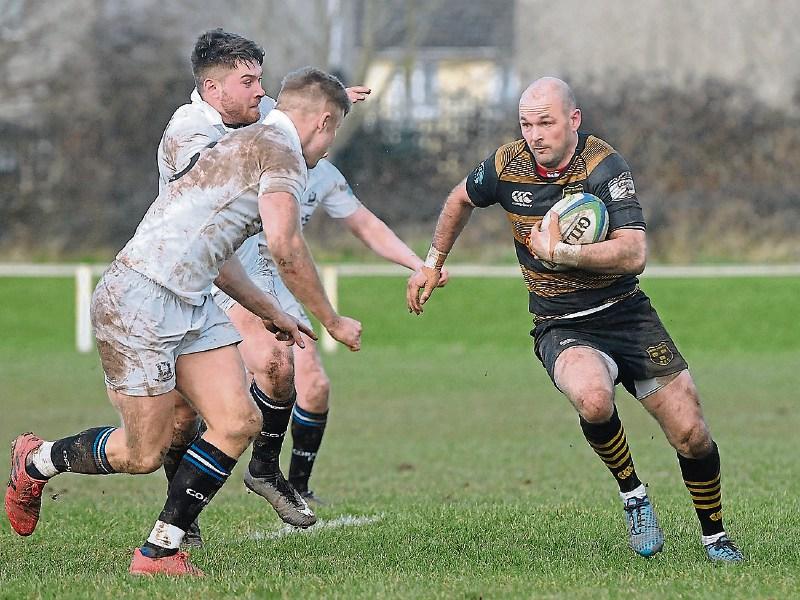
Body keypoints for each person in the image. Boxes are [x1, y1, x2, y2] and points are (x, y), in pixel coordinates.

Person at [6, 67, 362, 577]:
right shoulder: (280, 151)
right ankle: (37, 460)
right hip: (139, 296)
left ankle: (160, 552)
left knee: (238, 420)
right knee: (142, 451)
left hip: (191, 298)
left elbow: (218, 256)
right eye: (333, 135)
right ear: (324, 122)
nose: (327, 149)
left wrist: (273, 312)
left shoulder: (245, 142)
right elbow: (286, 246)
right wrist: (331, 319)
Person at [407, 77, 743, 563]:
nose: (535, 134)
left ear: (573, 119)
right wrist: (433, 262)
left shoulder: (604, 165)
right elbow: (459, 198)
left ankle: (715, 536)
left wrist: (563, 252)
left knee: (691, 432)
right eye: (526, 123)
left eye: (546, 122)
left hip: (626, 314)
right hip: (560, 323)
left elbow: (635, 252)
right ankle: (634, 495)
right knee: (592, 397)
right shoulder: (506, 164)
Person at [156, 29, 373, 539]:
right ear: (213, 89)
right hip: (181, 281)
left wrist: (333, 101)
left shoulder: (251, 114)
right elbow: (224, 190)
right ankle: (172, 515)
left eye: (260, 79)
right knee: (171, 427)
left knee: (279, 362)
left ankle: (264, 469)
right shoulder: (189, 131)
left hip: (229, 272)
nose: (261, 91)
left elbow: (290, 116)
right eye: (249, 81)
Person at [214, 160, 450, 506]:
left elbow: (365, 225)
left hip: (279, 285)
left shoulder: (325, 174)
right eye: (351, 102)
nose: (355, 103)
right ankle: (187, 512)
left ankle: (294, 487)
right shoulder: (262, 151)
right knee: (208, 403)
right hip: (232, 280)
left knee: (314, 386)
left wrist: (420, 264)